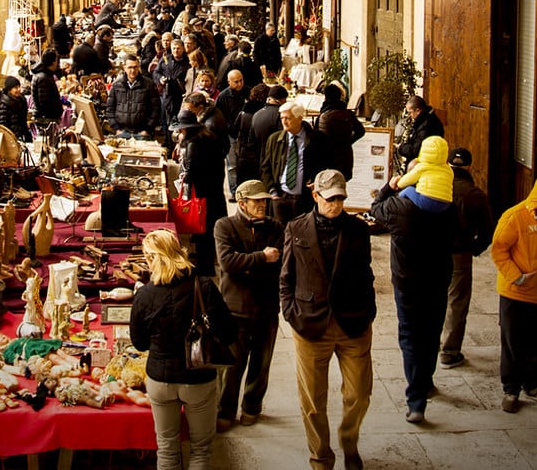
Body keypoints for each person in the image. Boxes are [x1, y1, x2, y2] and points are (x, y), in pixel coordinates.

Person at [280, 169, 376, 470]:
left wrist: (368, 311)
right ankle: (321, 457)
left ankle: (349, 439)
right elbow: (286, 276)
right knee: (312, 401)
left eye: (340, 199)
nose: (335, 205)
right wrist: (291, 312)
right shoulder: (296, 228)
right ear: (315, 195)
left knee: (359, 394)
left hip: (353, 323)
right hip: (310, 324)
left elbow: (367, 273)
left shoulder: (358, 230)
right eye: (330, 199)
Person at [129, 229, 236, 470]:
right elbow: (229, 332)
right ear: (179, 252)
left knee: (167, 448)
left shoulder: (144, 295)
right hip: (198, 378)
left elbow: (139, 343)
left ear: (151, 259)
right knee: (201, 449)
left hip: (160, 379)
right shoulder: (204, 287)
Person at [371, 162, 457, 423]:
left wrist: (390, 186)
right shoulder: (448, 208)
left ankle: (416, 400)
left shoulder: (399, 207)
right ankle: (426, 381)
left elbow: (375, 208)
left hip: (407, 282)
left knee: (410, 335)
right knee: (431, 332)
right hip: (438, 280)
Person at [214, 179, 284, 432]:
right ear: (242, 203)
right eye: (256, 201)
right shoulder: (224, 226)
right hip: (235, 309)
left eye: (264, 200)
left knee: (261, 364)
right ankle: (225, 411)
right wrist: (261, 257)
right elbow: (227, 262)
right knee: (231, 366)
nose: (262, 205)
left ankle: (252, 407)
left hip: (267, 308)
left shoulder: (275, 227)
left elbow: (281, 261)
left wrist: (246, 263)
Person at [439, 146, 494, 368]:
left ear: (448, 164)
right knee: (457, 301)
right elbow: (488, 230)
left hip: (432, 251)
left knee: (432, 296)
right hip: (460, 254)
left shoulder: (437, 186)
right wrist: (474, 248)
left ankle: (429, 341)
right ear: (470, 167)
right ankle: (449, 352)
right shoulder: (475, 195)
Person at [490, 179, 537, 412]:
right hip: (515, 292)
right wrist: (517, 277)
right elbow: (498, 250)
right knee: (512, 341)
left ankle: (532, 382)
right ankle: (511, 389)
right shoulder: (515, 216)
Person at [178, 101, 228, 275]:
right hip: (214, 190)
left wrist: (183, 181)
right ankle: (208, 263)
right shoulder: (208, 136)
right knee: (210, 230)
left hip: (203, 194)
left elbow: (190, 172)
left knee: (203, 231)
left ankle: (205, 268)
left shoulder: (194, 143)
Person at [261, 101, 318, 226]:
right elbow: (265, 167)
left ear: (299, 118)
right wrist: (273, 192)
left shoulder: (316, 140)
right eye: (282, 118)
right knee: (281, 233)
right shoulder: (274, 139)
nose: (284, 122)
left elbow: (326, 165)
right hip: (281, 197)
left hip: (305, 199)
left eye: (288, 118)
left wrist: (317, 181)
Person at [315, 82, 365, 181]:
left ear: (326, 97)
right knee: (342, 182)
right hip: (345, 156)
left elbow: (317, 139)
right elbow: (361, 131)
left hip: (327, 157)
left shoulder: (323, 116)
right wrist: (348, 142)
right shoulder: (348, 114)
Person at [105, 52, 161, 139]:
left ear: (138, 67)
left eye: (135, 67)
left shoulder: (149, 84)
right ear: (124, 68)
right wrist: (116, 128)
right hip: (122, 132)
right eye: (130, 67)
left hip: (142, 132)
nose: (133, 70)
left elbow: (156, 108)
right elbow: (110, 108)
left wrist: (148, 129)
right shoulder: (116, 85)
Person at [393, 135, 454, 210]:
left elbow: (408, 179)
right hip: (445, 204)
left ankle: (396, 201)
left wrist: (398, 184)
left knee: (408, 190)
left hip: (426, 201)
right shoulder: (448, 169)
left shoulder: (422, 166)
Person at [216, 69, 250, 200]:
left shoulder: (248, 92)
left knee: (245, 163)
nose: (239, 84)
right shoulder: (223, 97)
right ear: (229, 82)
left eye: (241, 80)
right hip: (230, 134)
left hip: (246, 133)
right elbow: (219, 117)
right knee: (232, 165)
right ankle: (234, 191)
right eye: (236, 82)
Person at [232, 83, 269, 187]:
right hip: (259, 155)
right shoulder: (264, 115)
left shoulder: (243, 113)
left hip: (244, 154)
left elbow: (234, 131)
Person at [396, 94, 444, 169]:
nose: (409, 115)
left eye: (410, 112)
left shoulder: (425, 126)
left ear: (418, 111)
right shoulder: (428, 120)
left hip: (422, 166)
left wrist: (401, 147)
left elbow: (416, 150)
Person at [250, 84, 288, 177]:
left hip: (260, 161)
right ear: (280, 100)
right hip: (276, 163)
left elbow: (251, 141)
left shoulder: (256, 114)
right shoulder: (280, 115)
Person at [31, 48, 64, 124]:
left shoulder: (45, 75)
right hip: (46, 120)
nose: (57, 63)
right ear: (53, 62)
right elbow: (44, 102)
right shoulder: (44, 78)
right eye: (56, 60)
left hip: (46, 118)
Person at [0, 74, 31, 142]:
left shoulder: (21, 101)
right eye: (16, 88)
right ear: (9, 90)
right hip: (11, 139)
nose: (19, 89)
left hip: (23, 137)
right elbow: (2, 127)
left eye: (19, 87)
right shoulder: (4, 105)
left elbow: (23, 121)